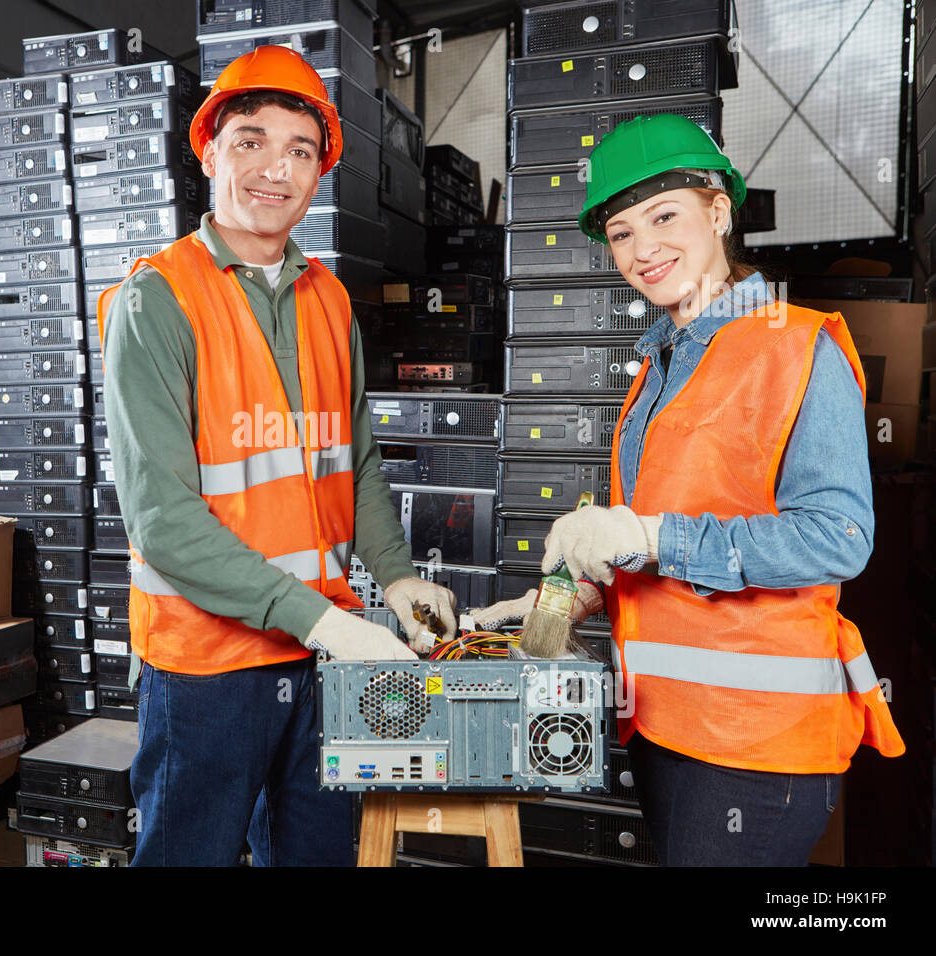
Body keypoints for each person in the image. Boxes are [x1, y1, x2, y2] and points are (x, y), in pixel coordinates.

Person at [472, 113, 904, 866]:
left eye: (664, 217)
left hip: (754, 741)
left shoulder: (798, 346)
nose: (644, 250)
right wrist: (564, 598)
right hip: (664, 725)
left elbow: (838, 537)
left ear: (719, 210)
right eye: (622, 233)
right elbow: (657, 534)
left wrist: (646, 536)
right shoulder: (659, 368)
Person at [95, 46, 457, 867]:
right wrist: (332, 623)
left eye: (300, 150)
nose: (275, 169)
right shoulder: (158, 299)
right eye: (252, 140)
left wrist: (394, 576)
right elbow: (163, 523)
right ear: (210, 151)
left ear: (319, 171)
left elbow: (354, 458)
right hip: (207, 666)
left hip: (321, 656)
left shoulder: (327, 297)